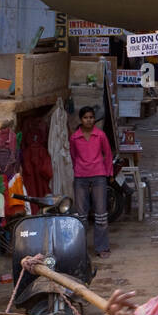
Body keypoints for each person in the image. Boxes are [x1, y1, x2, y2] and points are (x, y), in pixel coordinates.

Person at [69, 106, 112, 258]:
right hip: (81, 177)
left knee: (101, 214)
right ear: (81, 120)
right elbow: (73, 156)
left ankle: (102, 247)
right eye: (86, 117)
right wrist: (78, 170)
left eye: (91, 117)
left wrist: (108, 173)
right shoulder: (75, 137)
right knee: (81, 215)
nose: (89, 120)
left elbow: (107, 153)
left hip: (99, 176)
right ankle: (80, 249)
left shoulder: (100, 135)